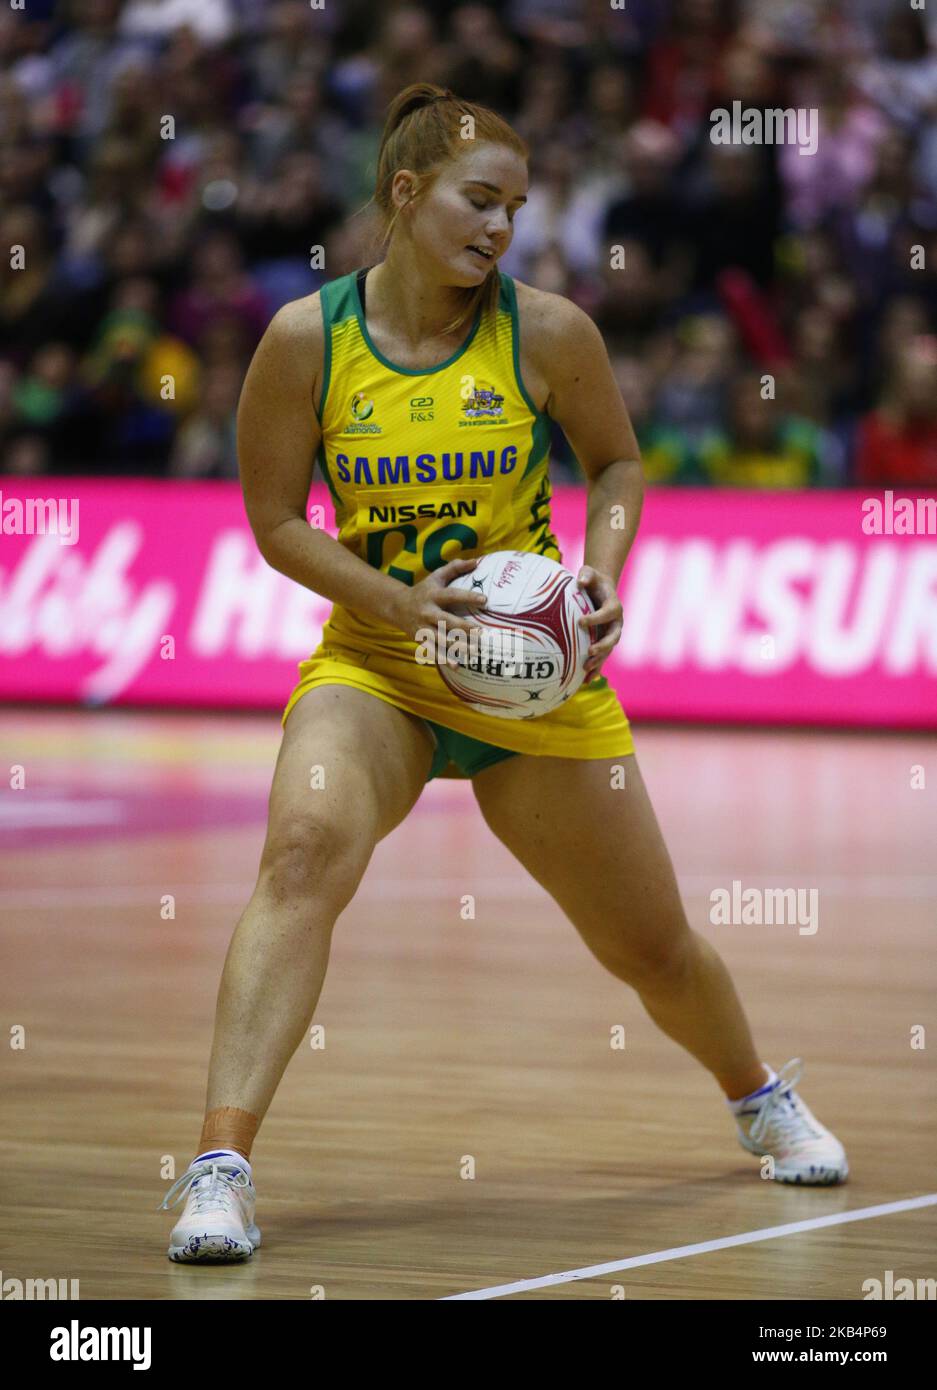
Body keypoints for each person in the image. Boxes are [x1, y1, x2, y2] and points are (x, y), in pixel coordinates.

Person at [158, 83, 848, 1264]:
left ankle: (754, 1095)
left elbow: (619, 462)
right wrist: (391, 602)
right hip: (379, 659)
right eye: (482, 199)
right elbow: (275, 520)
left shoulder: (547, 331)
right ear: (406, 192)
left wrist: (602, 568)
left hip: (535, 675)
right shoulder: (302, 339)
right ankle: (219, 1169)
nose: (501, 228)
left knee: (650, 946)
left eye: (518, 208)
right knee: (300, 855)